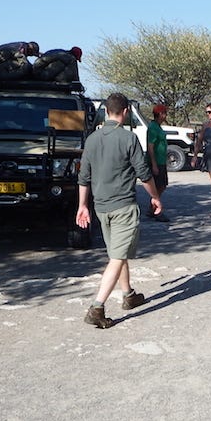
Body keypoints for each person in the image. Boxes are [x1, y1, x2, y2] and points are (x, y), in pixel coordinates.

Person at [77, 93, 163, 329]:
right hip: (123, 206)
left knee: (117, 252)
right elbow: (144, 174)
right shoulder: (128, 138)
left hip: (101, 208)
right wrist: (155, 197)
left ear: (106, 111)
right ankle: (97, 307)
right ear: (125, 112)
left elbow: (83, 177)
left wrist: (82, 206)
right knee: (117, 257)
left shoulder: (92, 140)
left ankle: (128, 295)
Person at [145, 104, 171, 222]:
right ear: (160, 114)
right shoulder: (153, 127)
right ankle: (156, 210)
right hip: (156, 161)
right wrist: (154, 164)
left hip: (161, 160)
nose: (166, 115)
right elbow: (150, 147)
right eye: (164, 113)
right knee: (158, 186)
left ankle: (152, 208)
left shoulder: (158, 127)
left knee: (162, 185)